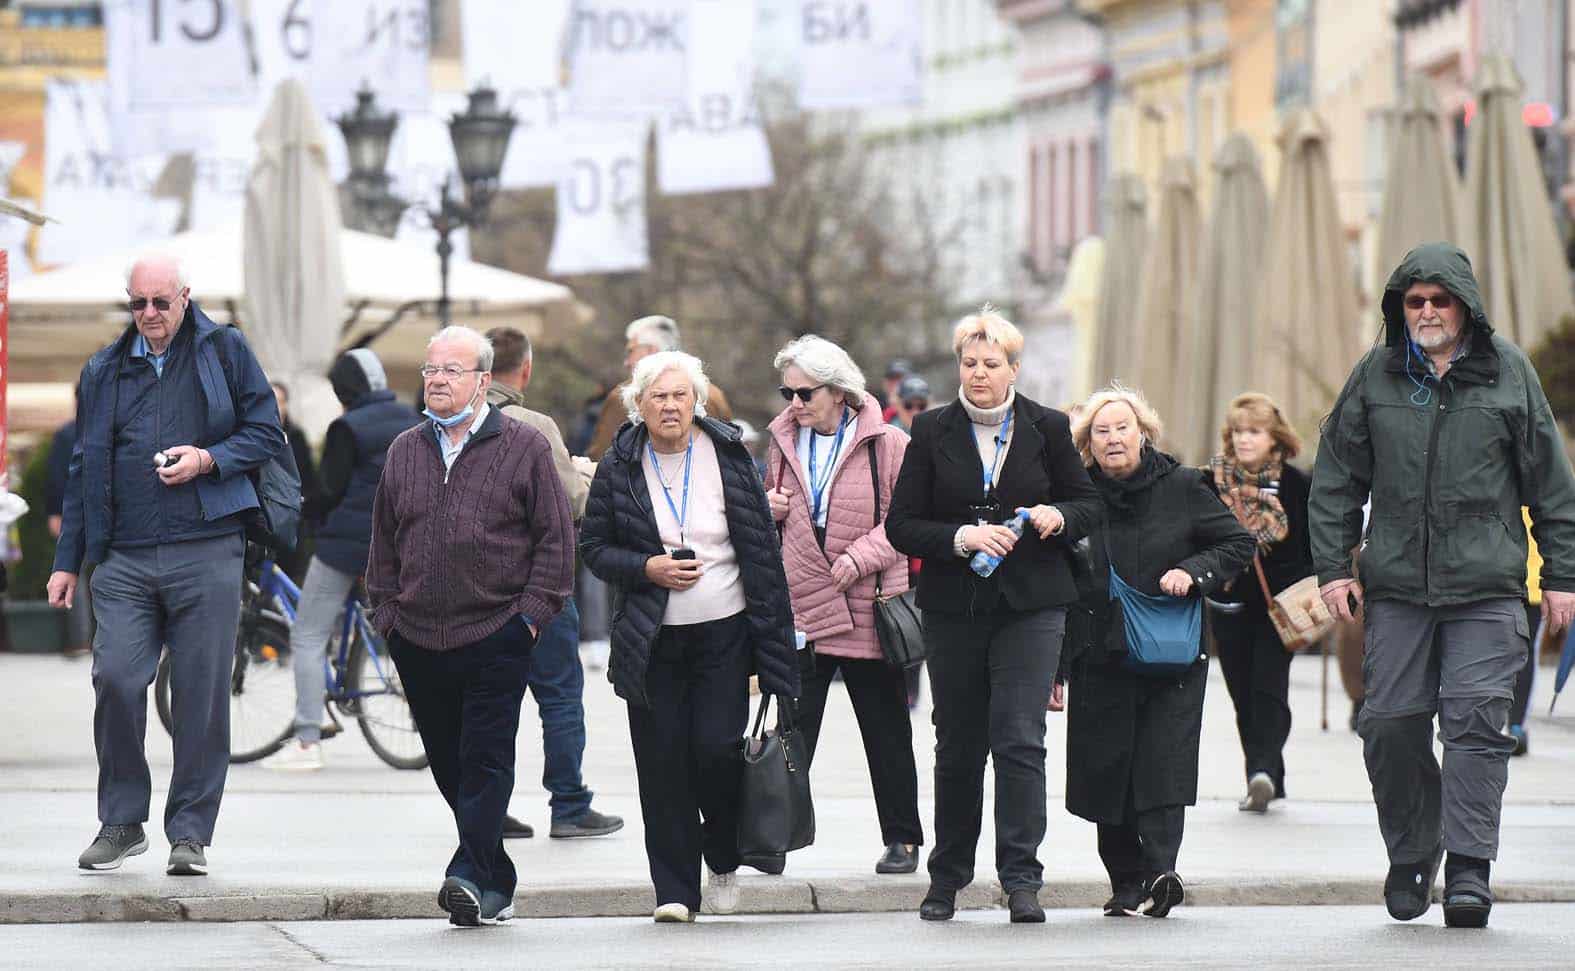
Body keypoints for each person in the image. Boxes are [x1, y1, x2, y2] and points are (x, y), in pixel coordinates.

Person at [1310, 242, 1575, 929]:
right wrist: (1335, 566)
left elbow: (1551, 484)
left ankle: (1467, 866)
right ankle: (1411, 848)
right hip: (1395, 584)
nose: (1426, 311)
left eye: (1439, 299)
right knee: (1388, 722)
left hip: (1486, 584)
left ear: (1465, 306)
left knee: (1475, 722)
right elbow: (1335, 476)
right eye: (1413, 300)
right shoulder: (1375, 374)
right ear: (1400, 308)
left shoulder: (1507, 372)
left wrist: (1562, 577)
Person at [47, 255, 286, 876]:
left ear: (184, 297)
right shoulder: (102, 369)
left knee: (201, 697)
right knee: (117, 680)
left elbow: (266, 433)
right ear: (128, 304)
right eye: (138, 304)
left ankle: (190, 833)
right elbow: (82, 469)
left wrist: (208, 459)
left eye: (160, 302)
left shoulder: (224, 350)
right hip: (123, 556)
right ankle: (123, 821)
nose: (149, 315)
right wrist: (66, 560)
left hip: (206, 548)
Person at [886, 307, 1102, 924]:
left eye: (992, 363)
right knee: (957, 745)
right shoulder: (930, 431)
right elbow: (902, 525)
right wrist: (961, 537)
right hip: (955, 607)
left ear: (1013, 368)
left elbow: (1086, 505)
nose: (979, 373)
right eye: (969, 362)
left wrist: (1058, 518)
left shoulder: (1049, 426)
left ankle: (1021, 878)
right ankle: (947, 878)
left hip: (1032, 604)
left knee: (1019, 740)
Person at [580, 349, 799, 924]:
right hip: (652, 641)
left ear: (696, 401)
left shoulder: (727, 453)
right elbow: (594, 549)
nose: (670, 405)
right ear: (639, 406)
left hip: (723, 633)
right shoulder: (620, 463)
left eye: (680, 395)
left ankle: (721, 858)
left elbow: (761, 553)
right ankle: (673, 890)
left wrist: (773, 642)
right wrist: (646, 567)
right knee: (661, 765)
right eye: (658, 396)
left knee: (715, 754)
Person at [366, 325, 575, 927]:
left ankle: (465, 873)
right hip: (418, 637)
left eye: (451, 371)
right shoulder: (405, 448)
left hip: (496, 633)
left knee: (485, 757)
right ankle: (494, 879)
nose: (436, 380)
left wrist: (529, 620)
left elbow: (556, 544)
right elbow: (383, 540)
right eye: (431, 370)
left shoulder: (524, 446)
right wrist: (388, 618)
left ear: (484, 381)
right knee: (447, 762)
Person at [1063, 384, 1254, 918]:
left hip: (1172, 654)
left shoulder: (1185, 487)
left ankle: (1162, 871)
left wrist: (1192, 573)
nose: (1113, 438)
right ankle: (1125, 882)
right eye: (1101, 431)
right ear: (1088, 444)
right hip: (1099, 652)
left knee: (1163, 765)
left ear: (1143, 434)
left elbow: (1238, 543)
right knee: (1108, 770)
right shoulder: (1078, 497)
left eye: (1122, 427)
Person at [764, 335, 922, 876]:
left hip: (869, 603)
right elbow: (767, 519)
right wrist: (771, 508)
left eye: (804, 393)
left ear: (837, 391)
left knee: (885, 730)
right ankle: (775, 835)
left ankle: (902, 837)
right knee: (793, 730)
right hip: (805, 605)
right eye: (787, 391)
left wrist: (860, 557)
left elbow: (907, 520)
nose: (794, 403)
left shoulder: (888, 444)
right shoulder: (782, 443)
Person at [482, 326, 623, 840]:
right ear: (526, 368)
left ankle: (487, 809)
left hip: (476, 591)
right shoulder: (534, 426)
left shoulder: (451, 425)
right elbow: (570, 503)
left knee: (490, 704)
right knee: (560, 695)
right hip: (537, 587)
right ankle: (568, 804)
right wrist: (584, 476)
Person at [261, 349, 420, 771]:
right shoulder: (411, 418)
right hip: (397, 544)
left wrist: (300, 511)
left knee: (309, 635)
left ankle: (308, 740)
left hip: (346, 546)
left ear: (343, 390)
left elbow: (328, 491)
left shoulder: (346, 428)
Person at [1204, 393, 1313, 813]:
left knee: (1270, 689)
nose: (1244, 439)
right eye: (1238, 432)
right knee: (1242, 694)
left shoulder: (1295, 484)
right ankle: (1268, 774)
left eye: (1254, 431)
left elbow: (1310, 543)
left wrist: (1314, 585)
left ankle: (1260, 771)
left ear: (1274, 437)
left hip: (1279, 607)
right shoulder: (1213, 481)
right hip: (1229, 603)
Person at [584, 316, 734, 461]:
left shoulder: (625, 395)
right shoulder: (714, 394)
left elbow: (601, 459)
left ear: (651, 350)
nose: (627, 362)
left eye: (631, 351)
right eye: (660, 396)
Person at [44, 388, 92, 657]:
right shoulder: (68, 434)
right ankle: (82, 638)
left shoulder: (67, 433)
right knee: (79, 576)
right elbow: (56, 478)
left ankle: (80, 640)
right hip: (86, 515)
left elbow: (56, 478)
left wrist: (55, 513)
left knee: (76, 575)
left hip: (78, 516)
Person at [269, 380, 320, 583]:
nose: (277, 407)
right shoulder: (252, 435)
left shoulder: (297, 437)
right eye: (272, 401)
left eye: (281, 401)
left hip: (292, 520)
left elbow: (309, 479)